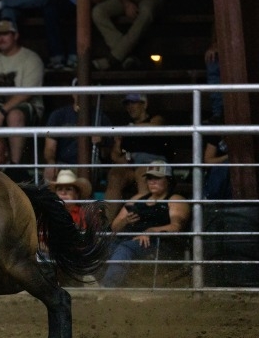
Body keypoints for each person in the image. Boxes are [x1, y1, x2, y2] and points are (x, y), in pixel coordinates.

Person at [101, 160, 190, 287]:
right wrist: (125, 221)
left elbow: (176, 227)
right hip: (129, 239)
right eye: (149, 178)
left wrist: (151, 231)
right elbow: (114, 227)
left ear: (168, 180)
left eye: (157, 178)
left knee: (125, 248)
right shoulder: (137, 199)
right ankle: (98, 283)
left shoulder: (175, 200)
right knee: (102, 247)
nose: (152, 182)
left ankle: (107, 288)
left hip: (156, 243)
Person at [0, 19, 44, 164]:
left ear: (16, 35)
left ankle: (15, 166)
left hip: (27, 105)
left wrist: (3, 111)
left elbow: (27, 93)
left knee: (14, 115)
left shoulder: (31, 58)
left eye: (6, 34)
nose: (1, 38)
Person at [103, 92, 169, 220]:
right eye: (127, 104)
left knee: (143, 174)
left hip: (152, 164)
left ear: (145, 104)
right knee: (114, 175)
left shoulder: (155, 118)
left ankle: (142, 221)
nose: (130, 107)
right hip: (131, 166)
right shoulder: (126, 127)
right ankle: (106, 226)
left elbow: (156, 126)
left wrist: (129, 128)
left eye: (134, 103)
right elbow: (115, 156)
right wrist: (119, 152)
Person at [42, 78, 113, 183]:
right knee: (49, 176)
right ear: (72, 92)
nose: (81, 93)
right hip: (63, 165)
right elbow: (49, 148)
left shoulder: (101, 117)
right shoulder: (58, 115)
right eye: (78, 90)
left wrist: (101, 142)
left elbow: (107, 154)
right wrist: (51, 163)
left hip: (91, 166)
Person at [202, 115, 231, 201]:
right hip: (215, 175)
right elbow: (208, 161)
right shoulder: (216, 134)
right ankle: (210, 199)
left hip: (231, 177)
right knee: (226, 165)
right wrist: (229, 157)